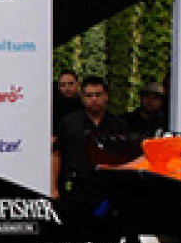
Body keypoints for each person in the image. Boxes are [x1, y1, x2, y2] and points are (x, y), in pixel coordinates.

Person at [51, 74, 130, 202]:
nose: (93, 99)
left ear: (106, 96)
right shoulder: (69, 123)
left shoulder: (119, 124)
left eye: (98, 95)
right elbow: (56, 155)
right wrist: (53, 186)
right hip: (76, 187)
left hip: (109, 189)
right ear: (82, 98)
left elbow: (126, 158)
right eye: (89, 95)